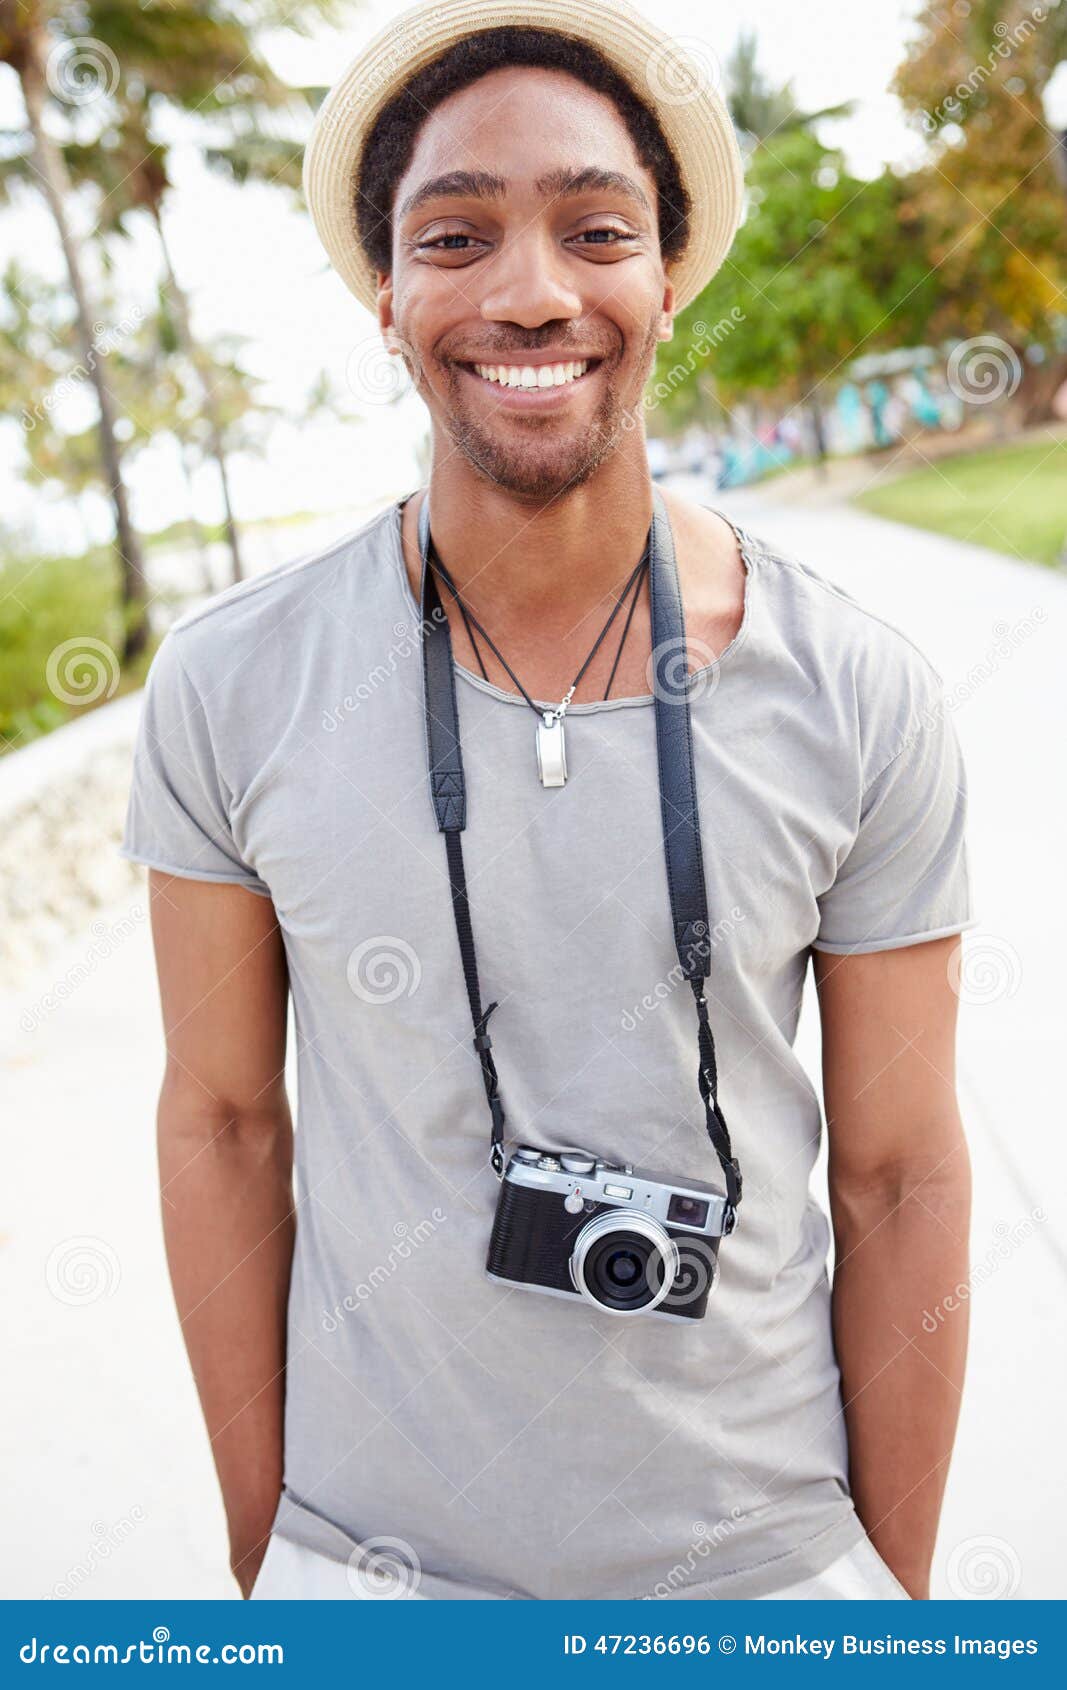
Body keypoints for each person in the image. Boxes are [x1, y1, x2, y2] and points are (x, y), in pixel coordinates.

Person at [121, 0, 974, 1603]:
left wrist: (885, 1601)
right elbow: (222, 1123)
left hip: (768, 1578)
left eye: (596, 230)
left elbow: (903, 1172)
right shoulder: (233, 683)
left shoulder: (858, 692)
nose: (530, 292)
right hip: (365, 1574)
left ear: (668, 278)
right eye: (456, 236)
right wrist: (271, 1556)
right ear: (388, 298)